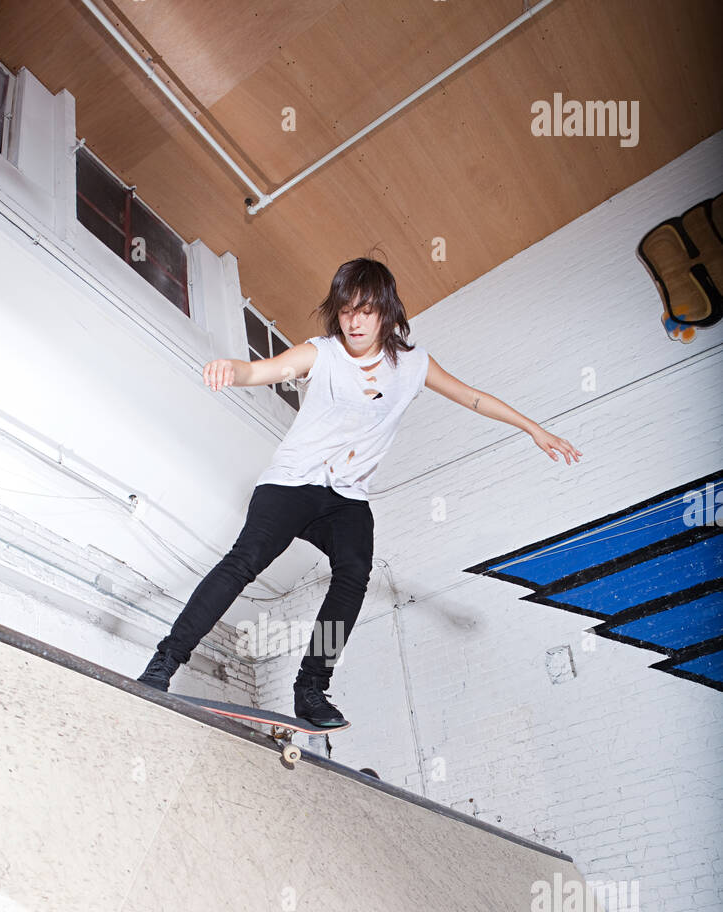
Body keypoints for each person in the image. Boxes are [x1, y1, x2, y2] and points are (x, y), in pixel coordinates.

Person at [137, 257, 582, 725]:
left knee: (353, 575)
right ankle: (165, 662)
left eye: (365, 311)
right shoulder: (322, 353)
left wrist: (533, 428)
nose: (354, 322)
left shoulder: (414, 366)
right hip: (291, 484)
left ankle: (310, 687)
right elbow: (268, 369)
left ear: (386, 313)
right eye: (346, 310)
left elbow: (472, 396)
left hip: (346, 499)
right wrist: (233, 369)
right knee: (243, 561)